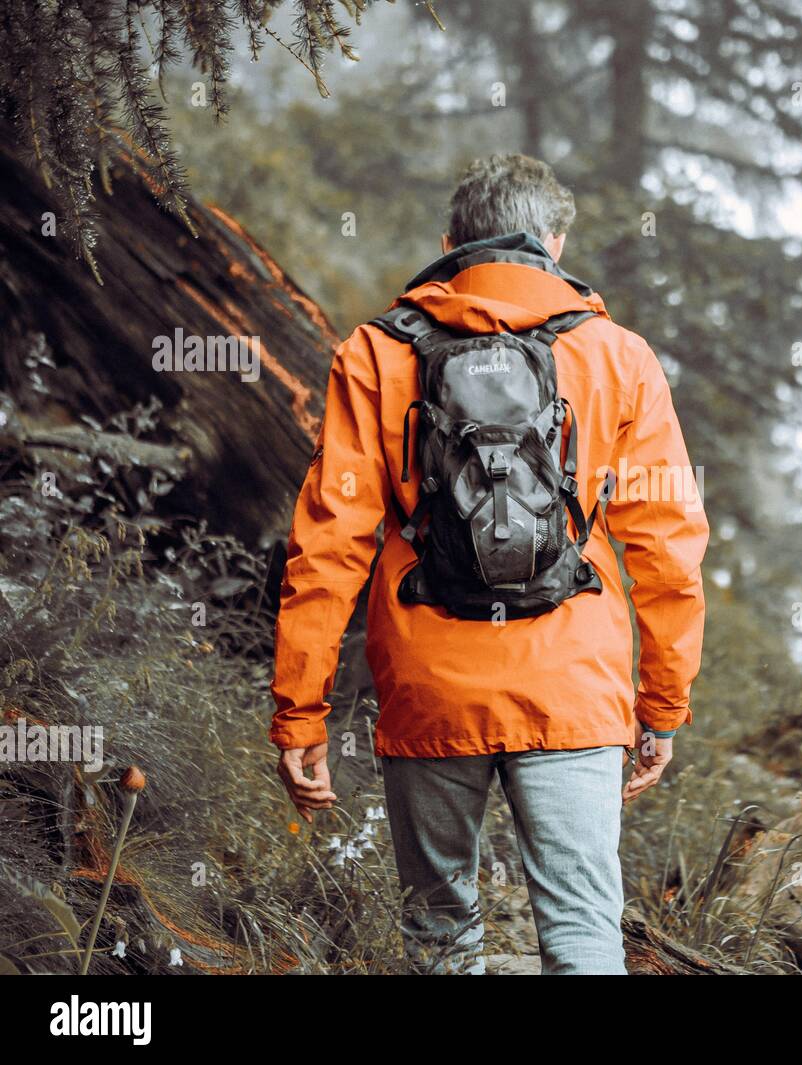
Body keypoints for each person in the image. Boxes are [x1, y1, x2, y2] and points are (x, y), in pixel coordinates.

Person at [269, 154, 709, 975]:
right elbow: (668, 549)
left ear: (449, 244)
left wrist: (301, 709)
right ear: (554, 241)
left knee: (439, 932)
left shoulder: (375, 353)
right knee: (582, 931)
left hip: (429, 683)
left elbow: (327, 544)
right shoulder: (619, 357)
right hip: (572, 684)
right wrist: (663, 705)